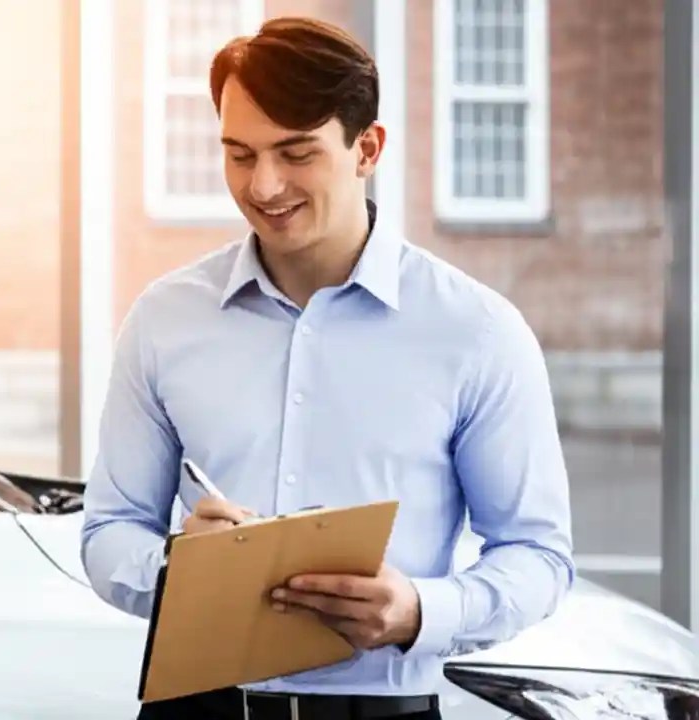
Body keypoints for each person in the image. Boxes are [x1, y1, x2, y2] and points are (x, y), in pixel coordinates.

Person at [80, 15, 575, 720]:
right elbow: (108, 532)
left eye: (296, 152)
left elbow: (538, 555)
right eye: (239, 155)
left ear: (367, 148)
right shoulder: (165, 320)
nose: (265, 185)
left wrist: (419, 610)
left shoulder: (476, 332)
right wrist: (177, 570)